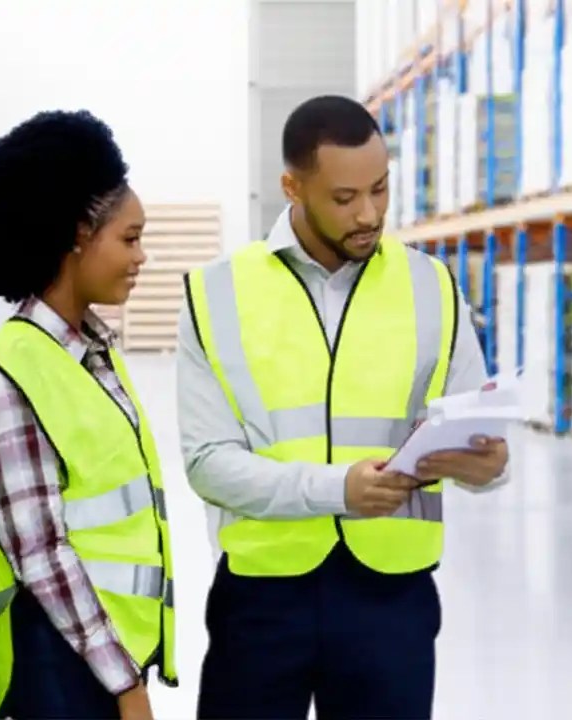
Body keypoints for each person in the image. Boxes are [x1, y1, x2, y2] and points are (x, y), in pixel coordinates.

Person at [178, 94, 510, 720]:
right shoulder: (215, 292)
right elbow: (207, 463)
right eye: (344, 197)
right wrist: (337, 490)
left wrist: (488, 465)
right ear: (292, 187)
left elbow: (480, 434)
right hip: (262, 595)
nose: (369, 213)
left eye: (380, 190)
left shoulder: (430, 285)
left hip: (392, 597)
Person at [0, 110, 176, 720]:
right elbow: (39, 550)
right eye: (129, 239)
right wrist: (124, 685)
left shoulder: (93, 353)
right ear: (79, 234)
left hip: (99, 654)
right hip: (55, 662)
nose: (142, 257)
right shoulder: (11, 367)